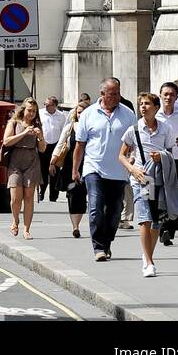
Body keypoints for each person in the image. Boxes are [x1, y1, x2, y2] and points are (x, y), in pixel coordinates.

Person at [72, 77, 136, 262]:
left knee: (115, 211)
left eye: (118, 93)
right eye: (112, 94)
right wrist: (75, 169)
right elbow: (80, 144)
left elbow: (133, 142)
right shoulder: (88, 114)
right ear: (102, 94)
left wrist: (132, 159)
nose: (117, 97)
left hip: (118, 171)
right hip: (94, 169)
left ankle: (107, 242)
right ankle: (98, 247)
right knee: (96, 207)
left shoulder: (128, 114)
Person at [119, 92, 174, 278]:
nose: (143, 107)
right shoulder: (133, 130)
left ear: (156, 108)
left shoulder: (165, 129)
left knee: (157, 221)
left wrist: (162, 156)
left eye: (147, 104)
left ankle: (147, 254)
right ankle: (149, 262)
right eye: (141, 104)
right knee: (145, 218)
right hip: (141, 179)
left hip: (159, 178)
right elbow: (121, 155)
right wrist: (132, 169)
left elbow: (170, 153)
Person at [3, 98, 46, 239]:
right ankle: (15, 220)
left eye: (34, 111)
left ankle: (27, 229)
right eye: (29, 110)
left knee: (29, 198)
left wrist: (40, 137)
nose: (32, 114)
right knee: (16, 198)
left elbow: (43, 149)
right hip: (15, 162)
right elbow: (6, 141)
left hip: (32, 163)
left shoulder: (38, 125)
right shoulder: (14, 123)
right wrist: (24, 133)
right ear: (23, 109)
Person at [50, 97, 90, 237]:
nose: (80, 114)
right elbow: (60, 144)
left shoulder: (93, 127)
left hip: (89, 165)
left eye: (83, 112)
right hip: (70, 165)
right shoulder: (70, 127)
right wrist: (52, 162)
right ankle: (75, 226)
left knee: (85, 195)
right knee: (73, 195)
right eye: (79, 112)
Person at [156, 82, 178, 244]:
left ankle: (173, 225)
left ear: (177, 97)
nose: (168, 97)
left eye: (172, 94)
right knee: (162, 194)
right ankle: (164, 228)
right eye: (166, 94)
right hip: (160, 161)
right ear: (161, 96)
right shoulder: (155, 116)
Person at [39, 96, 65, 201]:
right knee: (43, 170)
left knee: (55, 171)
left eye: (48, 105)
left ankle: (53, 196)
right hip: (43, 145)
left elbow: (64, 131)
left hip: (56, 145)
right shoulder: (40, 113)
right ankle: (42, 192)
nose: (46, 106)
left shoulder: (61, 116)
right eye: (45, 104)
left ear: (54, 106)